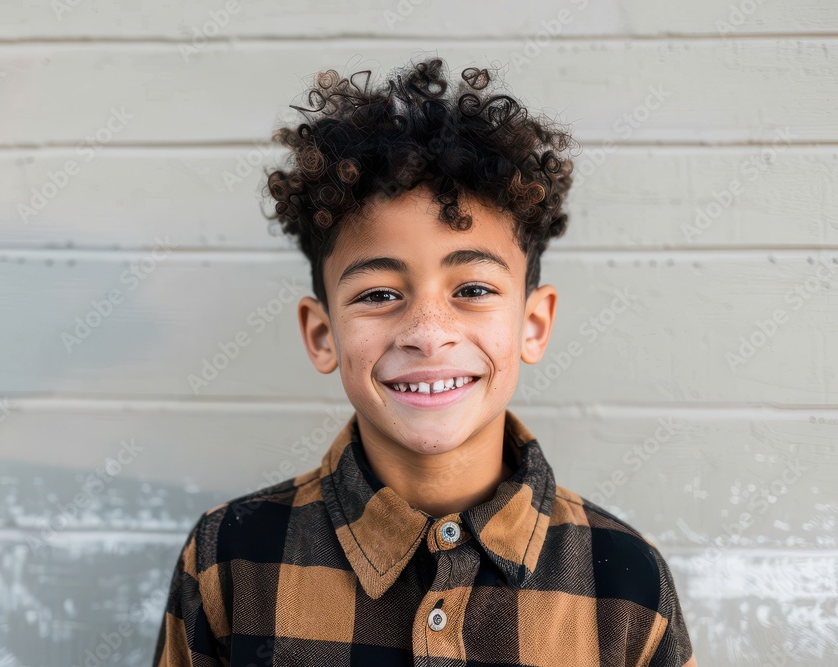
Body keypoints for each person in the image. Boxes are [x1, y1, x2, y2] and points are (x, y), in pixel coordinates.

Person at [153, 56, 697, 666]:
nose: (428, 334)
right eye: (378, 295)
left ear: (533, 324)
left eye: (473, 289)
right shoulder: (230, 558)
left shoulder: (625, 581)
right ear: (322, 335)